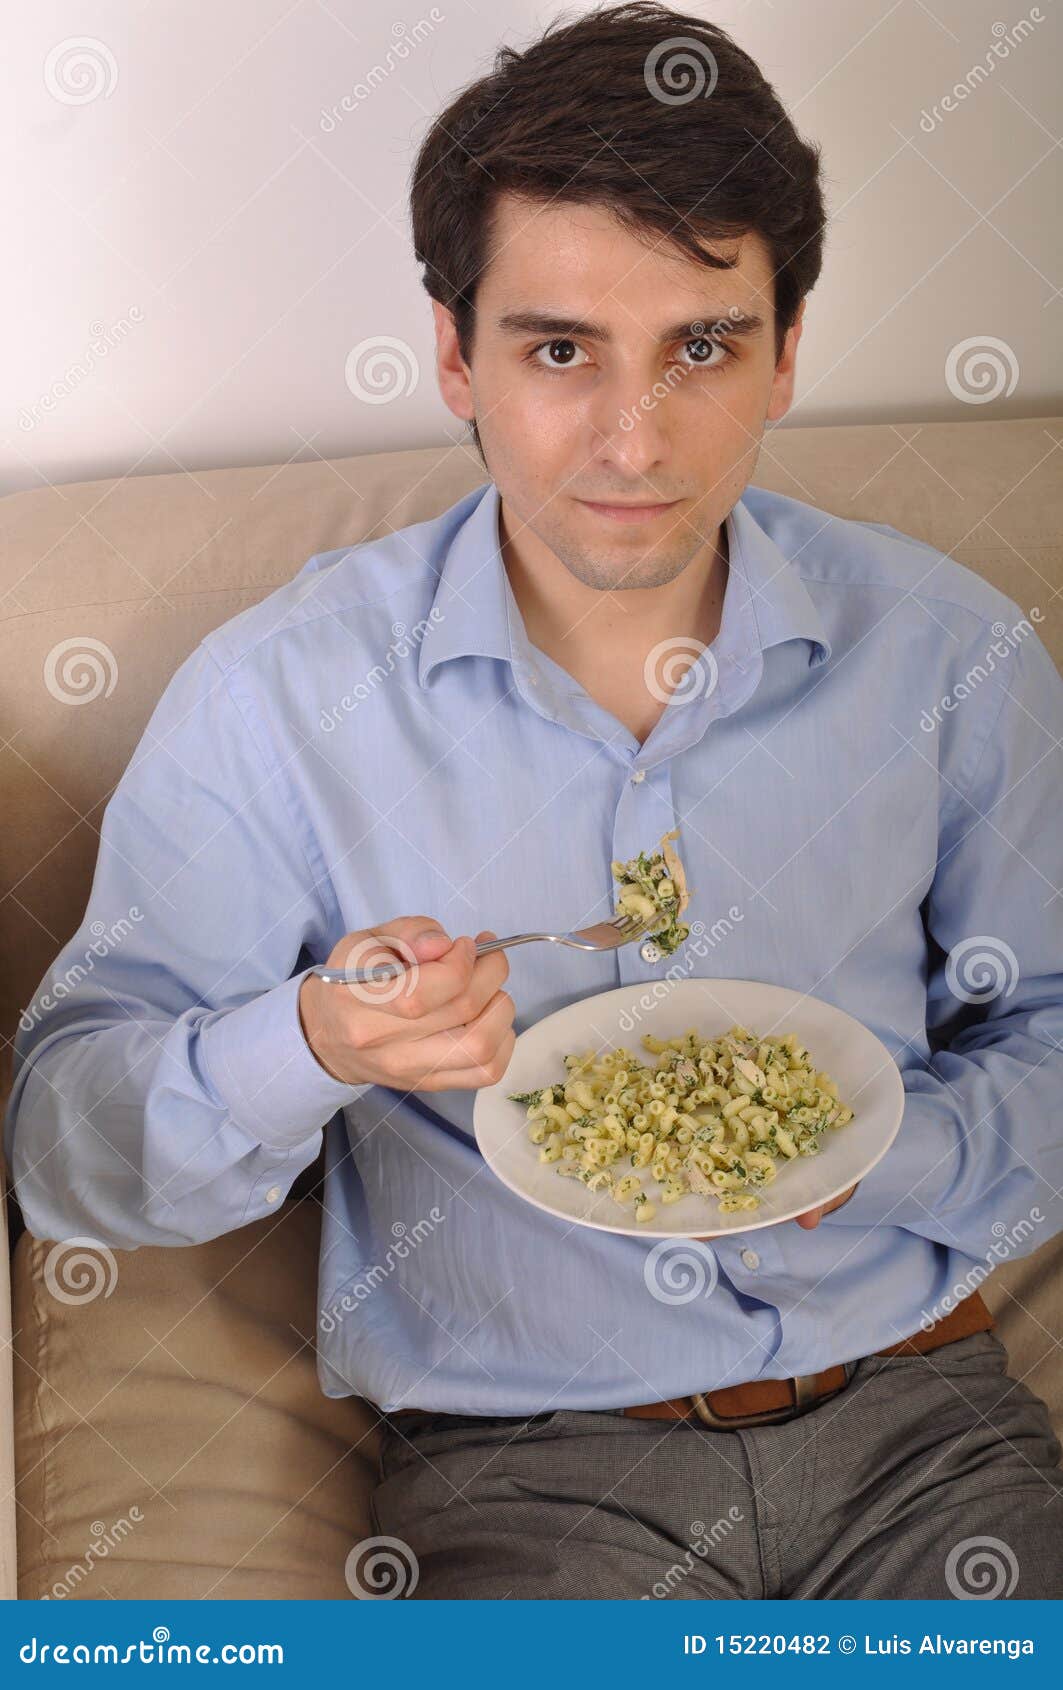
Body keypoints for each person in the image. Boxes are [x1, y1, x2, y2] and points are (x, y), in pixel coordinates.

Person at [6, 2, 1063, 1600]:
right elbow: (58, 1147)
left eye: (699, 346)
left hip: (924, 1423)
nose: (632, 440)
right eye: (560, 349)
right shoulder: (280, 696)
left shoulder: (954, 654)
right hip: (531, 1471)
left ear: (785, 354)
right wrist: (309, 1043)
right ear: (455, 355)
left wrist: (884, 1147)